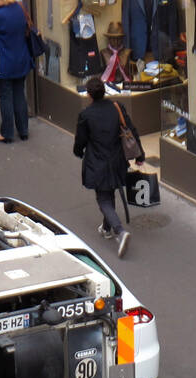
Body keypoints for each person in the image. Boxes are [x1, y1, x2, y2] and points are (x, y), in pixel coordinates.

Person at [73, 77, 144, 259]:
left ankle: (120, 232)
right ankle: (106, 228)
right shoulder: (117, 107)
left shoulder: (86, 115)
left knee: (103, 198)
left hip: (98, 162)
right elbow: (131, 129)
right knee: (109, 193)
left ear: (89, 95)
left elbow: (80, 140)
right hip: (118, 160)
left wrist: (79, 151)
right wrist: (140, 155)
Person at [0, 0, 32, 143]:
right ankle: (23, 130)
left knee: (5, 97)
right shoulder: (19, 8)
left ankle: (7, 133)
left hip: (1, 60)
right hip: (21, 57)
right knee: (19, 94)